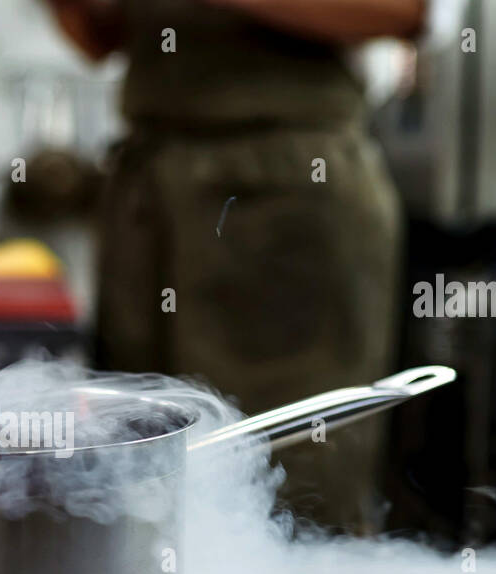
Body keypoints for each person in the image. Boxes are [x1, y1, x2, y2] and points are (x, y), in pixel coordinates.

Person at [45, 0, 426, 532]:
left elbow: (404, 13)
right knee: (138, 488)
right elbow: (98, 38)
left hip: (288, 194)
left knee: (294, 495)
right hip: (153, 189)